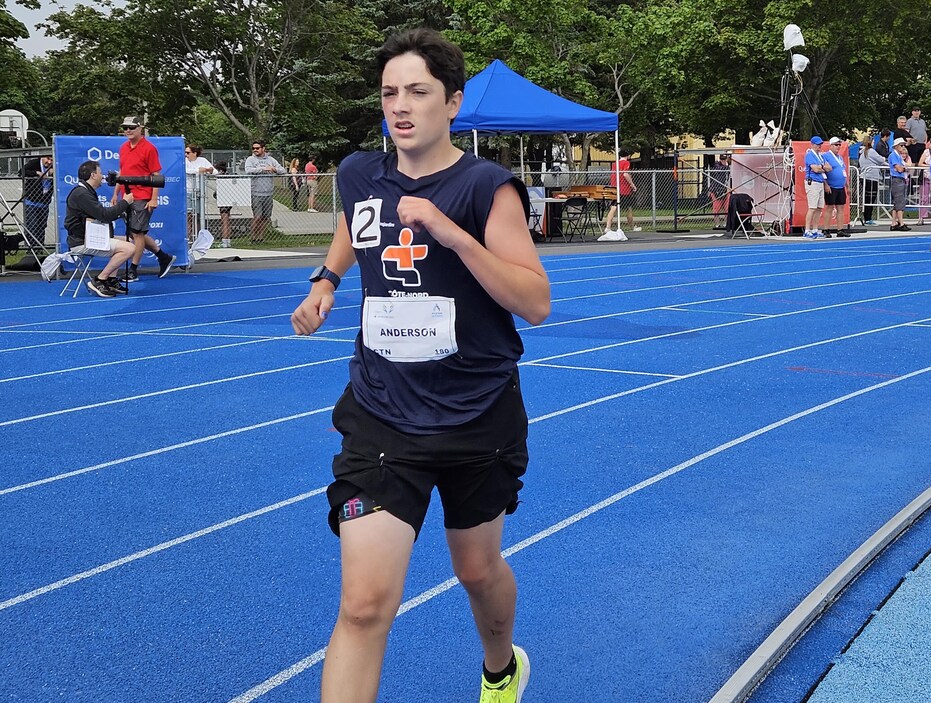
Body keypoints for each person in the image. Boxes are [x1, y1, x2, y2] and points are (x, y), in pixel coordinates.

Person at [288, 28, 550, 703]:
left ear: (453, 102)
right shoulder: (357, 172)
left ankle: (500, 668)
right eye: (389, 93)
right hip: (381, 414)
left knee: (475, 566)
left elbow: (535, 301)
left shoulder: (486, 188)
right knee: (365, 602)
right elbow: (356, 220)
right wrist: (326, 281)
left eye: (418, 92)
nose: (400, 106)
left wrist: (451, 232)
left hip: (476, 415)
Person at [112, 116, 175, 280]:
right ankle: (163, 257)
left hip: (142, 196)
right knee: (134, 233)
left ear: (140, 128)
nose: (127, 130)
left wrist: (154, 199)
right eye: (125, 127)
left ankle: (133, 269)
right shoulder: (123, 147)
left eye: (131, 127)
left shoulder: (149, 148)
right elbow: (122, 172)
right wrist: (115, 194)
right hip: (126, 196)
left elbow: (156, 175)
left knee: (137, 233)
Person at [65, 160, 137, 297]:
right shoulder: (81, 194)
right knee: (129, 248)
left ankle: (110, 279)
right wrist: (125, 202)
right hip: (81, 241)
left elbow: (101, 215)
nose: (102, 176)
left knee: (130, 242)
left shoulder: (86, 192)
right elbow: (104, 215)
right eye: (100, 173)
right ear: (93, 175)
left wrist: (118, 211)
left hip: (89, 237)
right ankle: (100, 279)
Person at [244, 140, 286, 243]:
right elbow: (248, 170)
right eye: (253, 148)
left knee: (265, 217)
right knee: (257, 217)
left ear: (263, 149)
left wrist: (274, 169)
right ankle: (253, 238)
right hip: (256, 193)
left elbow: (283, 171)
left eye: (257, 148)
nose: (255, 150)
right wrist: (263, 169)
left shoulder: (271, 160)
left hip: (269, 193)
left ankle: (261, 238)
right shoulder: (251, 159)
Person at [601, 153, 637, 240]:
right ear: (628, 155)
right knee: (628, 208)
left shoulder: (615, 163)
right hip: (624, 190)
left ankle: (608, 227)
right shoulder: (626, 163)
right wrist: (632, 184)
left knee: (613, 208)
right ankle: (632, 227)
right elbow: (625, 174)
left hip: (615, 189)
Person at [184, 144, 216, 241]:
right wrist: (199, 170)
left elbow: (214, 171)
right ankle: (188, 238)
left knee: (198, 216)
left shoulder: (202, 160)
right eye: (185, 152)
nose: (186, 154)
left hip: (199, 192)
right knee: (188, 215)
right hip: (188, 191)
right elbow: (185, 171)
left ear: (195, 153)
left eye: (188, 152)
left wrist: (208, 170)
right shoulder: (183, 161)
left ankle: (198, 238)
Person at [20, 155, 54, 243]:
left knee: (41, 226)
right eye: (48, 159)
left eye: (52, 160)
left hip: (44, 202)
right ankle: (31, 248)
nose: (49, 162)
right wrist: (36, 173)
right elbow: (21, 171)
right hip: (31, 202)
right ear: (42, 157)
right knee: (32, 225)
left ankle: (40, 247)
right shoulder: (34, 163)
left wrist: (53, 173)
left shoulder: (55, 166)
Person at [802, 136, 830, 238]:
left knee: (819, 207)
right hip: (812, 182)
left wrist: (821, 168)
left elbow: (829, 167)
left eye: (820, 144)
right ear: (812, 144)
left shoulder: (820, 156)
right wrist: (823, 168)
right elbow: (815, 169)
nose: (819, 146)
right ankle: (807, 229)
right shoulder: (810, 155)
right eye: (817, 144)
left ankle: (815, 229)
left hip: (820, 182)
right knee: (812, 207)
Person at [823, 138, 850, 237]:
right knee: (829, 207)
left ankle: (840, 229)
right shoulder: (826, 156)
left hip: (840, 186)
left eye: (839, 145)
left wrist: (847, 186)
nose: (838, 147)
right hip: (831, 186)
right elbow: (824, 172)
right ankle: (826, 229)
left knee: (840, 207)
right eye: (836, 145)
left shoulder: (840, 158)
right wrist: (826, 184)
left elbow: (843, 172)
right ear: (831, 145)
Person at [858, 135, 886, 226]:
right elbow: (880, 159)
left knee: (868, 198)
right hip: (871, 177)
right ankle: (868, 218)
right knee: (870, 198)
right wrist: (885, 160)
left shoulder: (862, 152)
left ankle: (867, 217)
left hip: (866, 177)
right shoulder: (871, 152)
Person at [888, 138, 912, 231]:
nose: (903, 147)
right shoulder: (894, 155)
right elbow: (899, 169)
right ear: (896, 146)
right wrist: (905, 168)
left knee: (897, 202)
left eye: (903, 145)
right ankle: (901, 223)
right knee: (900, 202)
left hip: (900, 179)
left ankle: (894, 222)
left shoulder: (898, 156)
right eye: (901, 145)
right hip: (897, 179)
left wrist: (904, 167)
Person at [707, 153, 731, 229]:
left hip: (724, 189)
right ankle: (717, 224)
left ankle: (725, 223)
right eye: (722, 159)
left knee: (727, 207)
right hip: (715, 190)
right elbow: (721, 169)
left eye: (725, 159)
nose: (723, 161)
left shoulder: (727, 167)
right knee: (716, 209)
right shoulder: (716, 165)